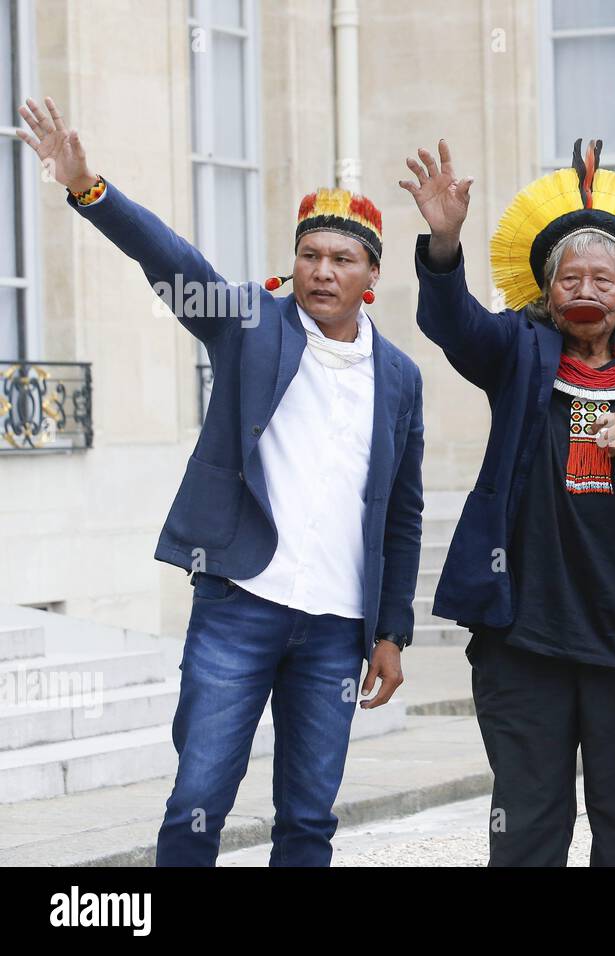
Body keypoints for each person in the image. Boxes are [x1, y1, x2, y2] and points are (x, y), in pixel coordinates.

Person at [17, 96, 424, 866]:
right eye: (310, 255)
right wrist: (89, 188)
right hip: (239, 603)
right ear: (294, 261)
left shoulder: (399, 378)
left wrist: (392, 631)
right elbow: (173, 263)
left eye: (342, 259)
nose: (322, 270)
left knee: (309, 820)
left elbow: (400, 515)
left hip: (337, 628)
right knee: (198, 802)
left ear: (372, 272)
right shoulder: (249, 324)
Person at [401, 137, 615, 866]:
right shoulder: (516, 354)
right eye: (569, 278)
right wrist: (445, 241)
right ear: (546, 293)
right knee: (526, 832)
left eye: (603, 279)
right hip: (525, 644)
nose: (585, 288)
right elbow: (451, 325)